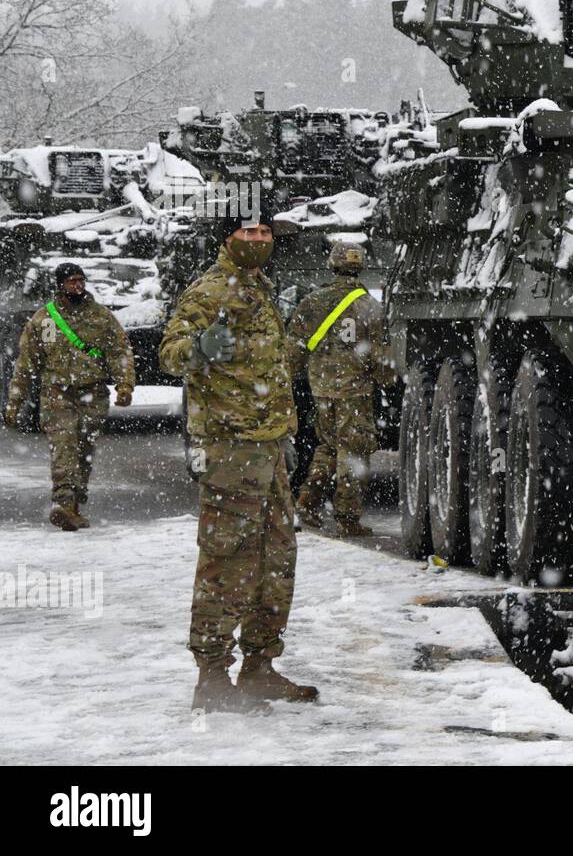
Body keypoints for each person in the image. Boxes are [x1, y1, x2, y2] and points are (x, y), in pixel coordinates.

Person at [159, 215, 318, 713]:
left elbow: (270, 366)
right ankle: (210, 674)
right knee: (227, 560)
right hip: (229, 448)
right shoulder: (209, 290)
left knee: (276, 560)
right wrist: (199, 348)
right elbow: (169, 352)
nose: (259, 241)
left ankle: (259, 667)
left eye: (265, 234)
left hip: (268, 448)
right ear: (228, 239)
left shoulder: (262, 288)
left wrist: (284, 434)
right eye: (249, 232)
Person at [3, 263, 134, 530]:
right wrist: (14, 402)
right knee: (64, 447)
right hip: (56, 395)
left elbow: (119, 351)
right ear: (60, 285)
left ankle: (74, 503)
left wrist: (125, 385)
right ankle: (62, 503)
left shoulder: (100, 316)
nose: (78, 286)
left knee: (84, 450)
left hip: (92, 393)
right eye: (72, 281)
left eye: (81, 281)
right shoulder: (45, 320)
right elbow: (26, 363)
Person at [288, 241, 396, 537]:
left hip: (321, 388)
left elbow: (294, 350)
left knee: (328, 445)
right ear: (360, 266)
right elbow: (380, 358)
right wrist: (386, 379)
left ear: (332, 265)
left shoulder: (311, 301)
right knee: (354, 452)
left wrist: (288, 377)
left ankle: (307, 505)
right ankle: (347, 517)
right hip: (354, 391)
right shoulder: (370, 307)